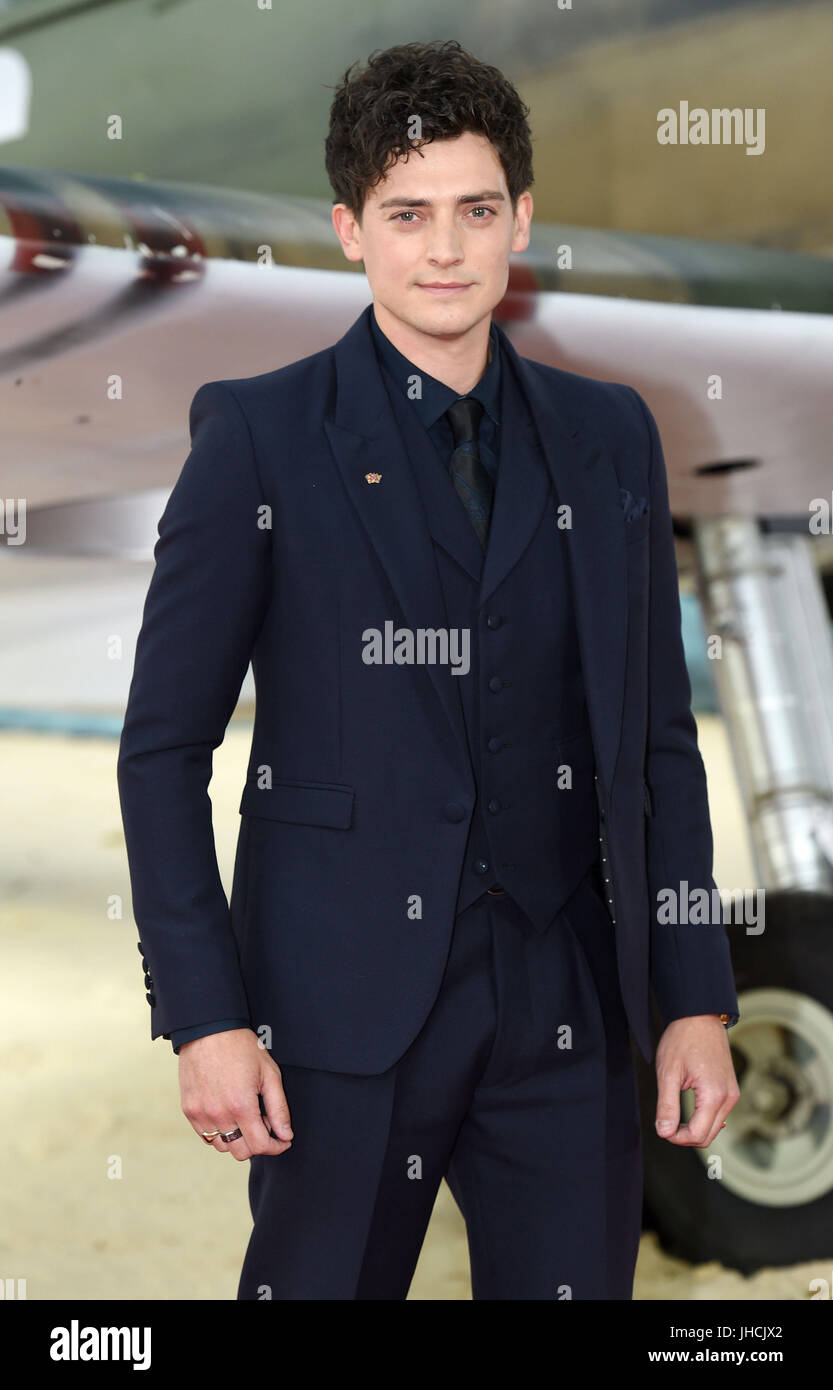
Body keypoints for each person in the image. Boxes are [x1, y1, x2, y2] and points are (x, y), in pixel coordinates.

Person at [117, 39, 740, 1300]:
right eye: (406, 215)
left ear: (521, 217)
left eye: (473, 210)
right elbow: (162, 753)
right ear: (349, 231)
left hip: (565, 1004)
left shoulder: (609, 436)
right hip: (336, 1013)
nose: (444, 250)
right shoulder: (256, 437)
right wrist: (205, 1017)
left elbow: (655, 742)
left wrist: (693, 996)